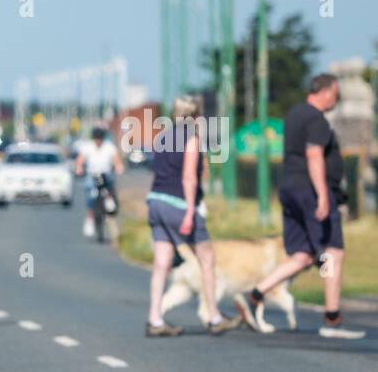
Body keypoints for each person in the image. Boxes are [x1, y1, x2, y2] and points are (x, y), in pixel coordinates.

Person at [236, 73, 365, 339]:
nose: (336, 100)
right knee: (332, 252)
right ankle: (332, 319)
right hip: (311, 191)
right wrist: (322, 195)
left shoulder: (294, 115)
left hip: (290, 189)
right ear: (326, 92)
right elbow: (314, 154)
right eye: (336, 94)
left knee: (302, 255)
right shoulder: (316, 119)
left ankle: (256, 294)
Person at [144, 95, 241, 337]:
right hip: (179, 203)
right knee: (207, 261)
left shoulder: (163, 136)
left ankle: (154, 319)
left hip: (156, 201)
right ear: (196, 116)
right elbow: (189, 176)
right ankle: (214, 317)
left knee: (161, 263)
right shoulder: (191, 139)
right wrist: (189, 212)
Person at [74, 126, 124, 238]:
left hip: (106, 174)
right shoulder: (87, 147)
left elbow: (116, 160)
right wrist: (79, 168)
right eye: (96, 138)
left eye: (100, 138)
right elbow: (80, 160)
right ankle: (90, 218)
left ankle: (109, 203)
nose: (98, 141)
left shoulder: (109, 147)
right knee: (90, 196)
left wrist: (119, 167)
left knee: (110, 188)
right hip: (93, 176)